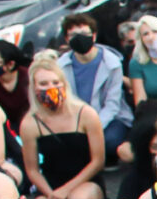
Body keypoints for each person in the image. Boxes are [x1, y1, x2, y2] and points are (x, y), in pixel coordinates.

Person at [22, 50, 107, 199]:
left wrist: (66, 191)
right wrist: (52, 194)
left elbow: (98, 161)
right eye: (43, 84)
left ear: (64, 84)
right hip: (50, 183)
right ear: (34, 87)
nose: (50, 87)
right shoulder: (30, 123)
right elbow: (32, 169)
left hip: (85, 178)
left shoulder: (85, 114)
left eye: (55, 82)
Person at [58, 16, 135, 163]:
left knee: (109, 141)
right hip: (75, 119)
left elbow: (112, 105)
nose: (80, 38)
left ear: (93, 36)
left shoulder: (112, 63)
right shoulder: (61, 66)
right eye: (74, 35)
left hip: (109, 118)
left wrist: (91, 126)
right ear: (67, 39)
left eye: (84, 33)